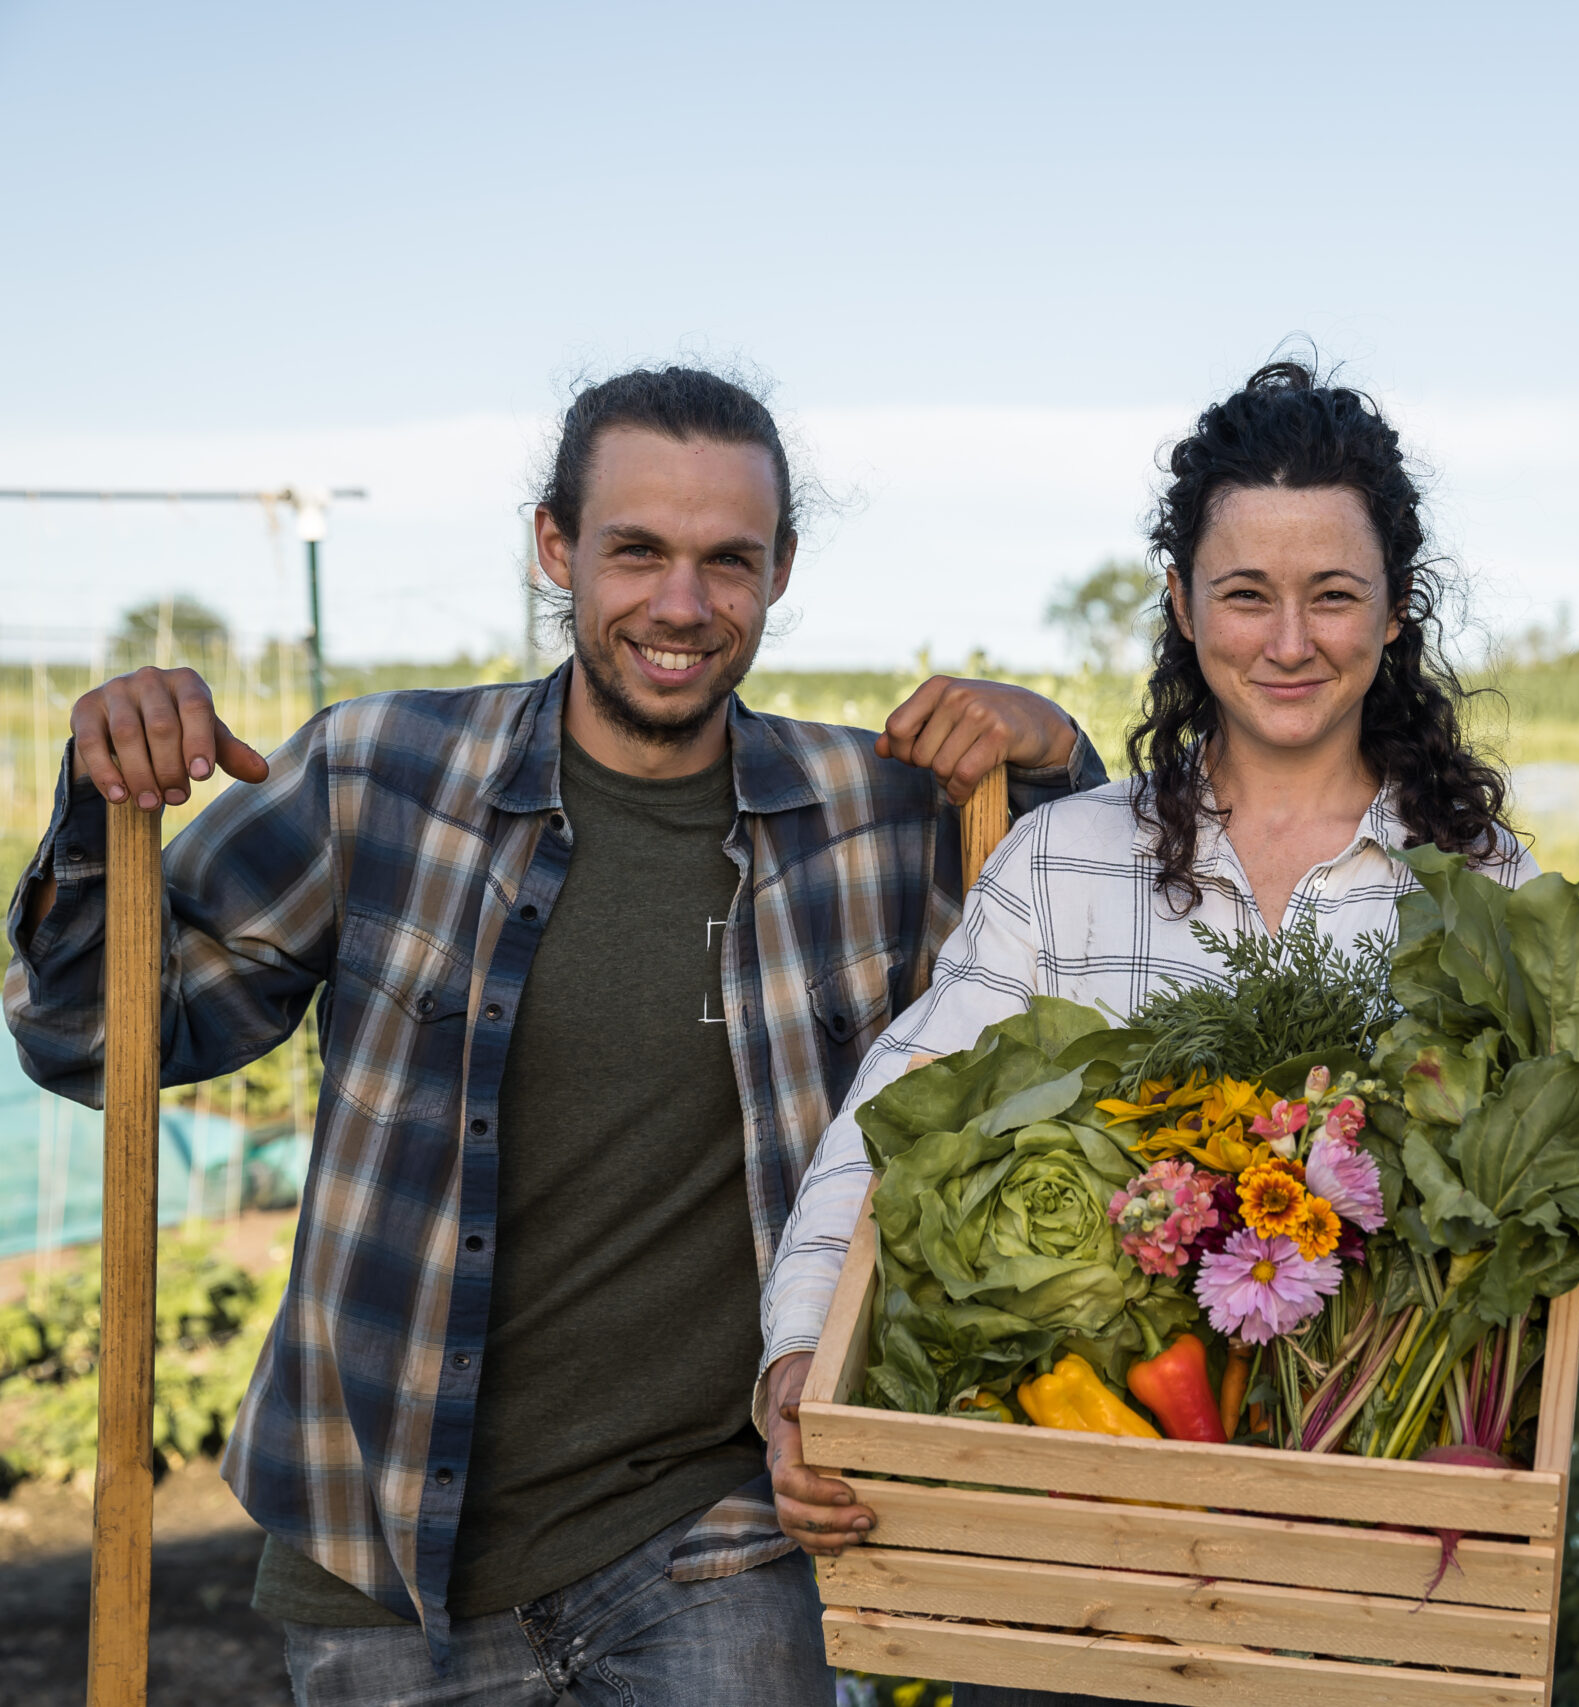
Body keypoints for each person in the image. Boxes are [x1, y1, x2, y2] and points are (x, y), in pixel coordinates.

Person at [4, 366, 1108, 1704]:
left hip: (716, 1530)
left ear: (782, 569)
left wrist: (1052, 760)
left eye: (728, 562)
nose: (682, 605)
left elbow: (1069, 959)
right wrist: (96, 797)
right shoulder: (380, 777)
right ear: (556, 545)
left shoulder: (870, 810)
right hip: (382, 1547)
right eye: (636, 551)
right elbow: (94, 1036)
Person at [759, 358, 1579, 1707]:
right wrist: (803, 1346)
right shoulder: (1065, 861)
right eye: (1244, 593)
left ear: (1396, 613)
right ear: (1179, 604)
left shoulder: (1482, 882)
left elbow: (1566, 1202)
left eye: (1334, 594)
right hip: (1077, 1568)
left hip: (1364, 1578)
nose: (1290, 640)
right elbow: (905, 1109)